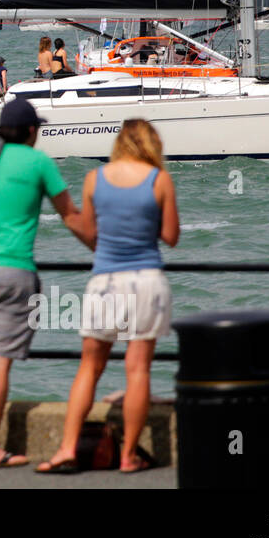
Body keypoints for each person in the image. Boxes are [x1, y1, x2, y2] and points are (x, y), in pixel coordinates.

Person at [0, 98, 89, 470]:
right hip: (12, 271)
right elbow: (71, 216)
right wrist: (105, 248)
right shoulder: (38, 162)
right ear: (30, 131)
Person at [36, 119, 179, 475]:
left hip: (105, 280)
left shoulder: (93, 180)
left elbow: (89, 230)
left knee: (89, 367)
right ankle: (129, 455)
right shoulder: (158, 179)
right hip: (146, 279)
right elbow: (171, 235)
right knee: (138, 369)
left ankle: (68, 448)